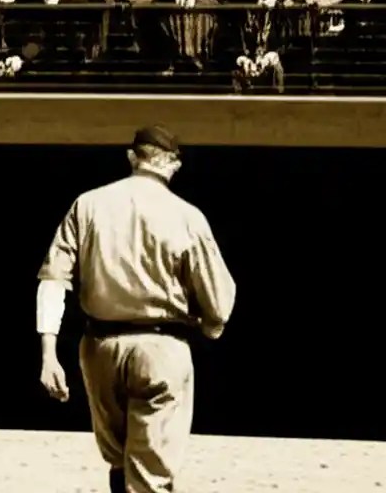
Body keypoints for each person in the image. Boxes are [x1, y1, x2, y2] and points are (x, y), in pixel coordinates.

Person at [35, 124, 237, 493]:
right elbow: (219, 305)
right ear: (173, 166)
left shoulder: (88, 204)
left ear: (132, 158)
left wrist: (49, 354)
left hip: (99, 350)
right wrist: (209, 327)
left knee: (118, 461)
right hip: (161, 350)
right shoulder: (188, 216)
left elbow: (53, 279)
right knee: (149, 475)